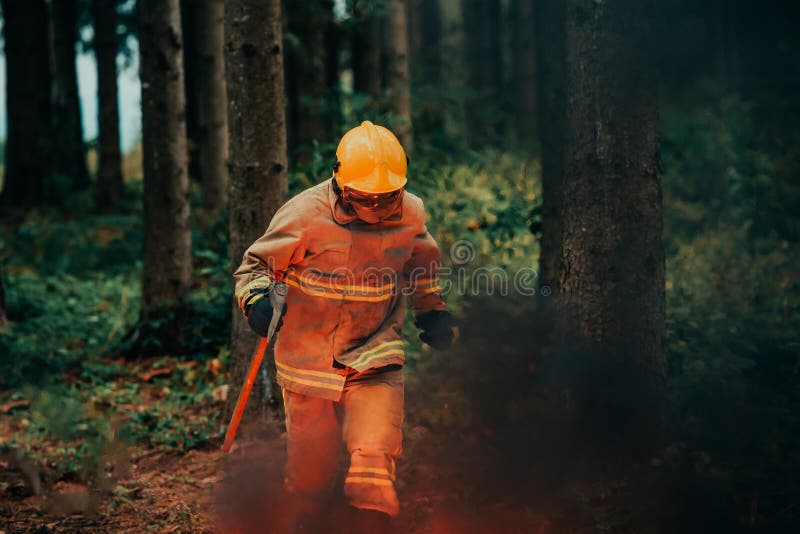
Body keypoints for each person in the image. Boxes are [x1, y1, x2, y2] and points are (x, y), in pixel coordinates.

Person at [233, 121, 456, 531]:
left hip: (376, 355)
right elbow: (255, 267)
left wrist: (433, 311)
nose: (374, 210)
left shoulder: (412, 213)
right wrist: (256, 301)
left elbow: (423, 266)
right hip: (308, 365)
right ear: (340, 182)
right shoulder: (304, 213)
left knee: (373, 456)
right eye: (362, 199)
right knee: (308, 480)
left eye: (386, 199)